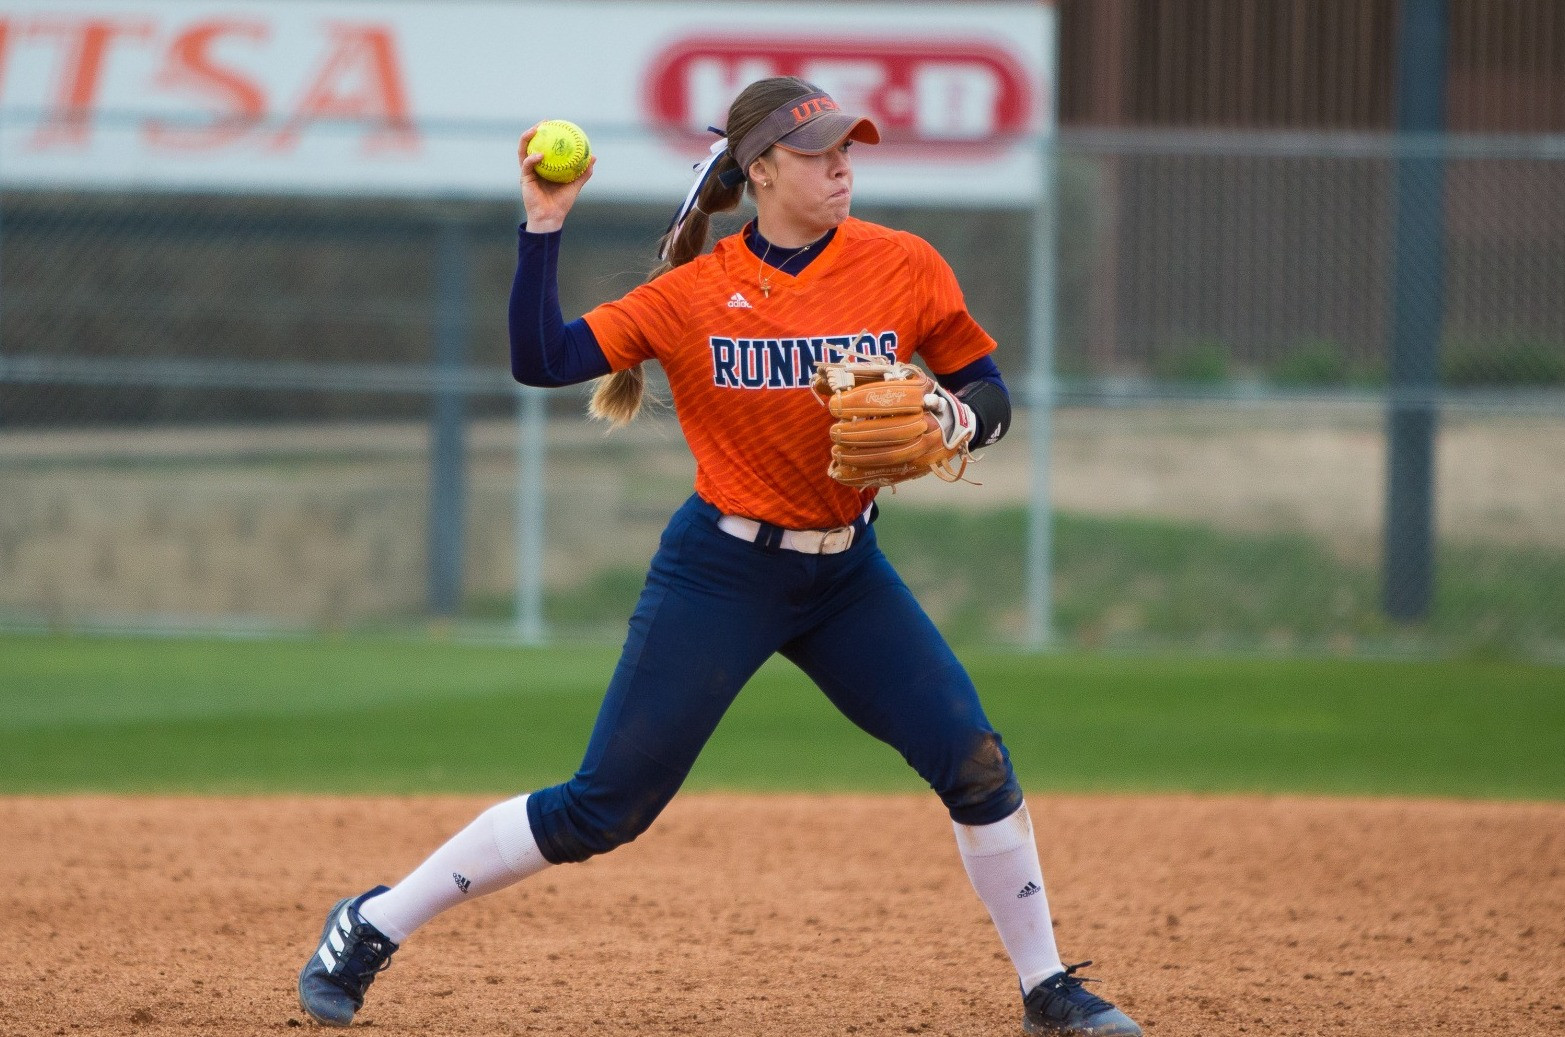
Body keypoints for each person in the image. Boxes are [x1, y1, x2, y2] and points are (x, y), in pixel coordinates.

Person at [297, 76, 1141, 1037]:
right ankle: (370, 924)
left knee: (975, 761)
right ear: (764, 169)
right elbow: (541, 358)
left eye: (847, 149)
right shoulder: (691, 294)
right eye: (820, 152)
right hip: (723, 570)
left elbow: (987, 390)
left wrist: (955, 417)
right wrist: (543, 224)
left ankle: (1044, 989)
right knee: (602, 808)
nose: (841, 167)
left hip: (844, 574)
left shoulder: (903, 265)